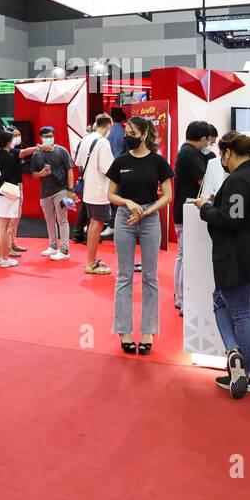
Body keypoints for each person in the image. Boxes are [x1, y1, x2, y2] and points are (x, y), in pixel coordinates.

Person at [196, 131, 250, 399]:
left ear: (228, 153)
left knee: (241, 312)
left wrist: (205, 209)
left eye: (222, 154)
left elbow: (232, 220)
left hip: (236, 257)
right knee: (221, 301)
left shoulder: (239, 180)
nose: (221, 160)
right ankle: (235, 356)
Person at [107, 115, 173, 355]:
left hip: (149, 220)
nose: (128, 137)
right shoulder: (120, 161)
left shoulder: (158, 162)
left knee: (150, 277)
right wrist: (127, 202)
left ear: (144, 135)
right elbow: (110, 195)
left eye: (133, 133)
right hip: (124, 218)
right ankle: (123, 331)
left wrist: (146, 211)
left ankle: (148, 332)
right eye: (127, 132)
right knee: (123, 276)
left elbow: (167, 195)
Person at [172, 120, 215, 310]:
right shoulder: (191, 154)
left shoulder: (186, 152)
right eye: (209, 140)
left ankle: (180, 297)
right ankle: (183, 300)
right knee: (186, 256)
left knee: (182, 256)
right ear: (204, 139)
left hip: (183, 211)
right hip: (187, 212)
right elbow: (203, 180)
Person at [75, 114, 115, 276]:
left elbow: (78, 163)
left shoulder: (86, 139)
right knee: (96, 225)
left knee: (93, 224)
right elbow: (108, 168)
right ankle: (90, 263)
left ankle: (91, 260)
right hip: (99, 191)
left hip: (89, 190)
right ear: (108, 125)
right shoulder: (103, 142)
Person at [30, 125, 76, 261]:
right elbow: (33, 174)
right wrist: (41, 173)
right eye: (45, 136)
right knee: (50, 220)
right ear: (41, 138)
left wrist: (71, 189)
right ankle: (53, 245)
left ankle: (65, 249)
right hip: (45, 192)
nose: (48, 138)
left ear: (54, 136)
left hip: (61, 190)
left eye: (50, 136)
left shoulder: (62, 151)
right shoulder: (37, 154)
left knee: (62, 219)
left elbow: (69, 170)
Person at [0, 130, 22, 268]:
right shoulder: (8, 157)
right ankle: (4, 258)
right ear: (8, 142)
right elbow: (7, 175)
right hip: (6, 193)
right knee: (3, 227)